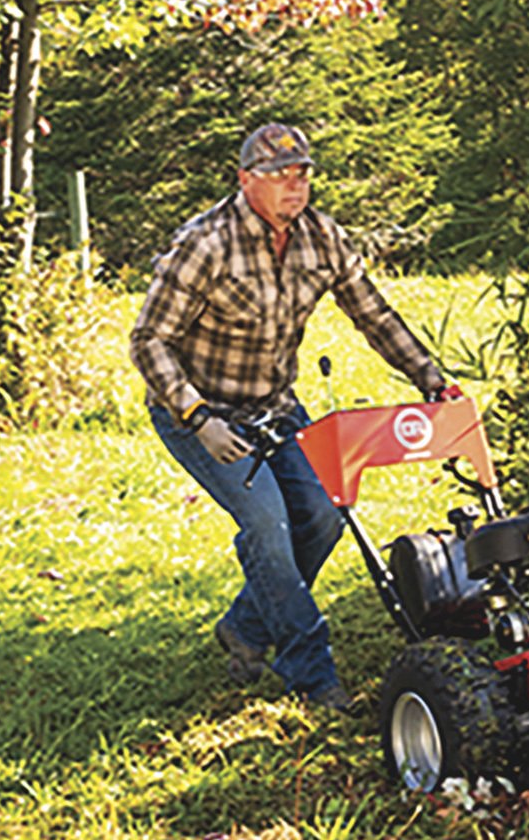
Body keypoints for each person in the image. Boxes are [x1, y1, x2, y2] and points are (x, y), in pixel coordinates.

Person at [130, 121, 448, 711]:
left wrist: (429, 375)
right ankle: (313, 675)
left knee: (325, 516)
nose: (293, 186)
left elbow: (373, 314)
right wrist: (198, 416)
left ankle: (247, 628)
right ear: (246, 178)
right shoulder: (206, 244)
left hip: (274, 405)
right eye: (278, 176)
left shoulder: (321, 237)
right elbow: (149, 341)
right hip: (200, 411)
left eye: (301, 174)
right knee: (268, 528)